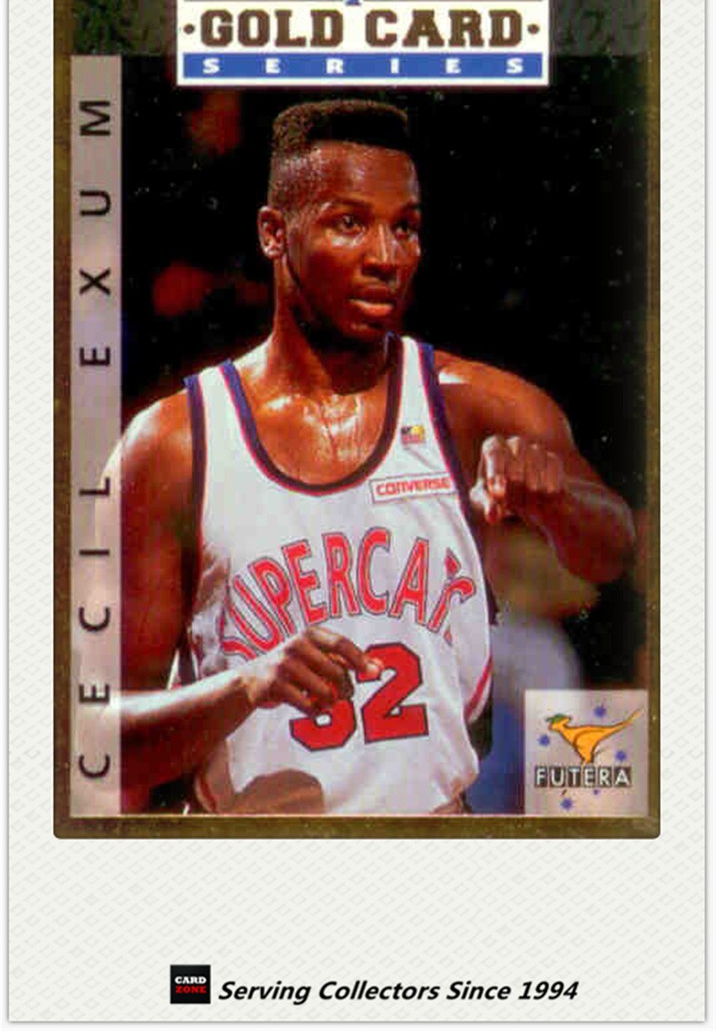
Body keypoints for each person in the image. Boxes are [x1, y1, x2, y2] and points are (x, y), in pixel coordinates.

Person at [117, 99, 634, 816]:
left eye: (405, 227)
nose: (386, 257)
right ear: (274, 232)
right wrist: (243, 687)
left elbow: (613, 551)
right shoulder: (175, 443)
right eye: (349, 223)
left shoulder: (473, 405)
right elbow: (94, 740)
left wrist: (555, 499)